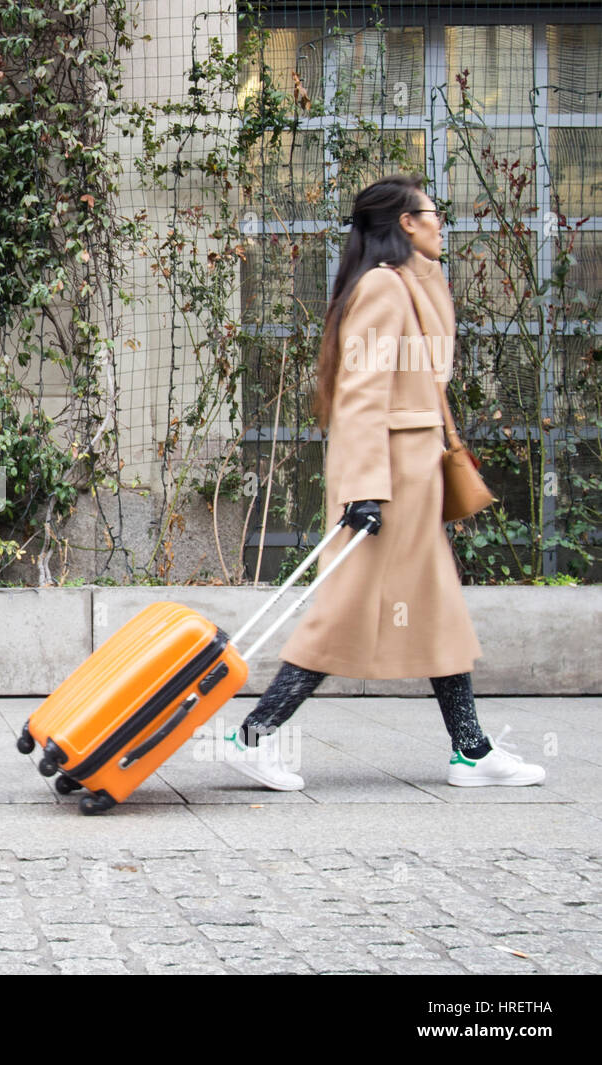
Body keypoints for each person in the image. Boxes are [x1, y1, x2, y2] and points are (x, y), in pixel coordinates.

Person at [223, 173, 545, 791]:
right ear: (406, 223)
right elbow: (361, 398)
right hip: (390, 480)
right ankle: (252, 737)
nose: (440, 222)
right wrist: (364, 491)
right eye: (432, 213)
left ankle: (472, 750)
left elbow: (428, 373)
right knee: (343, 610)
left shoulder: (407, 285)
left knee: (436, 610)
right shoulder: (382, 289)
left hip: (413, 475)